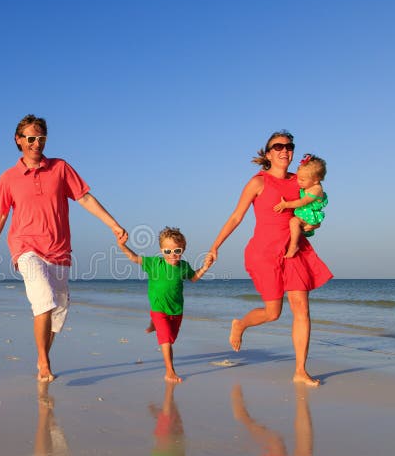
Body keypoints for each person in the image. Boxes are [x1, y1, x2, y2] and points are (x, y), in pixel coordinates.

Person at [0, 114, 127, 382]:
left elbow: (84, 198)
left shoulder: (60, 168)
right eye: (31, 138)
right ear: (18, 140)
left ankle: (41, 358)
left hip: (59, 251)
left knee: (58, 310)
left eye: (41, 138)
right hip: (25, 248)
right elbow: (1, 214)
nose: (36, 143)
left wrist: (113, 225)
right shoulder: (8, 178)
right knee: (44, 299)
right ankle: (44, 360)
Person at [206, 131, 332, 386]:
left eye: (289, 146)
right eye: (278, 147)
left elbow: (314, 207)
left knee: (302, 309)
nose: (284, 150)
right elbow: (235, 217)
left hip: (295, 250)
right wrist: (215, 246)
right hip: (265, 252)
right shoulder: (258, 182)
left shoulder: (300, 180)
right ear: (267, 153)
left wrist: (312, 225)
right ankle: (240, 324)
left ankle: (300, 370)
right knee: (273, 313)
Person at [117, 227, 213, 383]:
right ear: (161, 250)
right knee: (166, 339)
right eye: (167, 251)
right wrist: (122, 245)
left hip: (176, 310)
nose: (172, 255)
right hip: (158, 308)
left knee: (172, 337)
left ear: (183, 249)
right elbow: (134, 258)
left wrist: (206, 267)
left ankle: (154, 323)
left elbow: (194, 278)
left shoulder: (183, 266)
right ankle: (170, 371)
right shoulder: (154, 263)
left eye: (177, 250)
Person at [273, 154, 328, 258]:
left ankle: (294, 246)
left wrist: (286, 205)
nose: (299, 181)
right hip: (304, 213)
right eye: (298, 178)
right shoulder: (309, 182)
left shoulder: (316, 189)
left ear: (316, 180)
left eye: (302, 180)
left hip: (310, 216)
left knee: (293, 222)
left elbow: (303, 202)